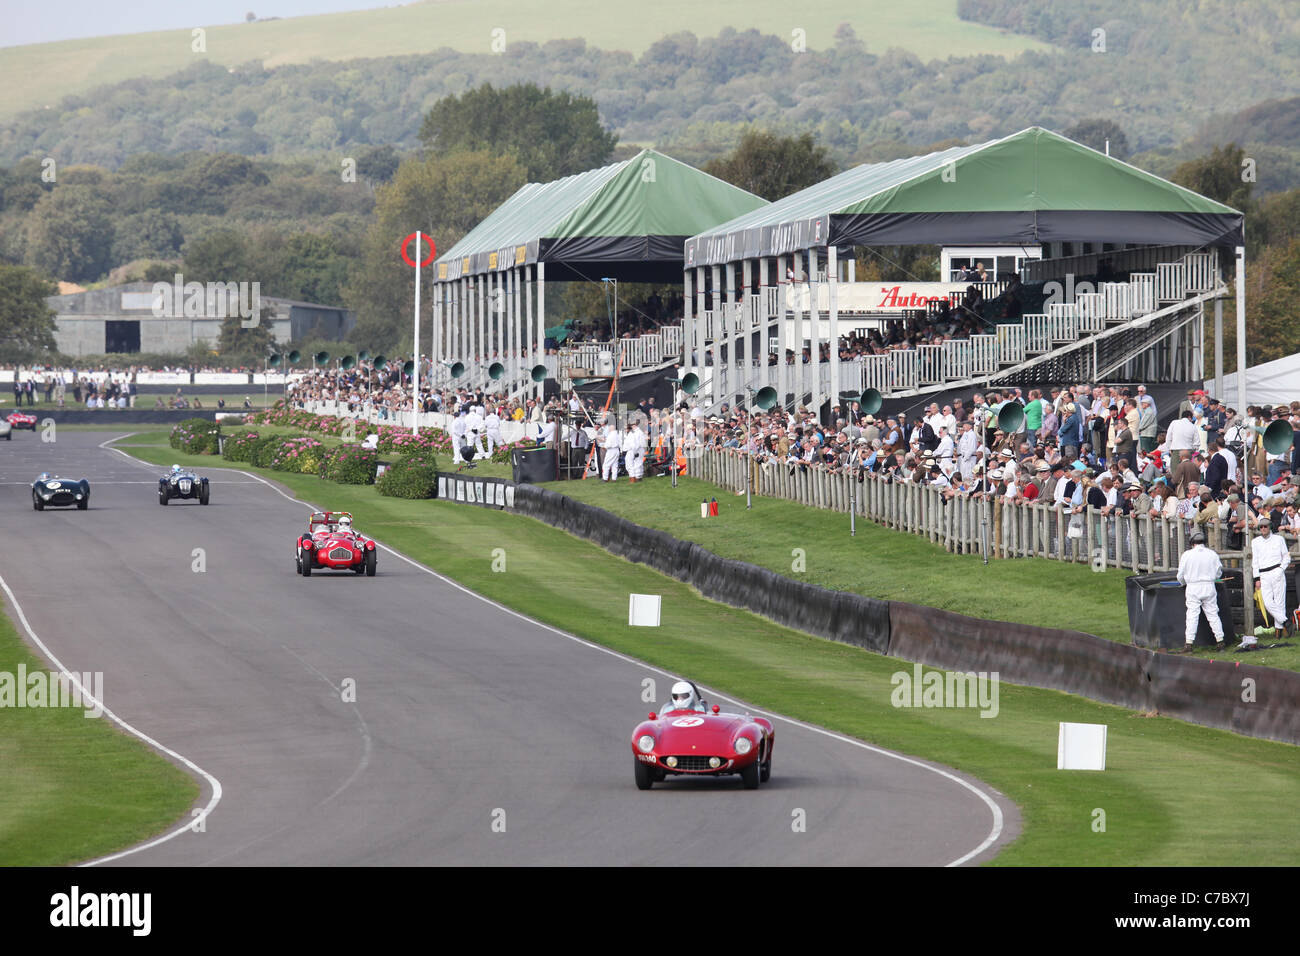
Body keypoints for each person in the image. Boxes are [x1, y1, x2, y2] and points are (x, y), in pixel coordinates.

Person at [1174, 530, 1225, 653]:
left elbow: (1180, 575)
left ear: (1192, 543)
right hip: (1209, 586)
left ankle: (1189, 644)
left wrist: (1183, 583)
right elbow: (1219, 572)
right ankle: (1220, 642)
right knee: (1213, 614)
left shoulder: (1187, 555)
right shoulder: (1212, 554)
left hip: (1193, 587)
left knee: (1192, 615)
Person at [1250, 518, 1292, 642]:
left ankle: (1278, 632)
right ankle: (1285, 621)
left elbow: (1286, 556)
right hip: (1263, 574)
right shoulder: (1255, 542)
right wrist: (1256, 578)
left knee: (1279, 602)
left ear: (1270, 527)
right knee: (1268, 602)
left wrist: (1281, 569)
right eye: (1261, 527)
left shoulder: (1279, 539)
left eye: (1265, 526)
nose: (1263, 529)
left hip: (1276, 571)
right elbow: (1255, 561)